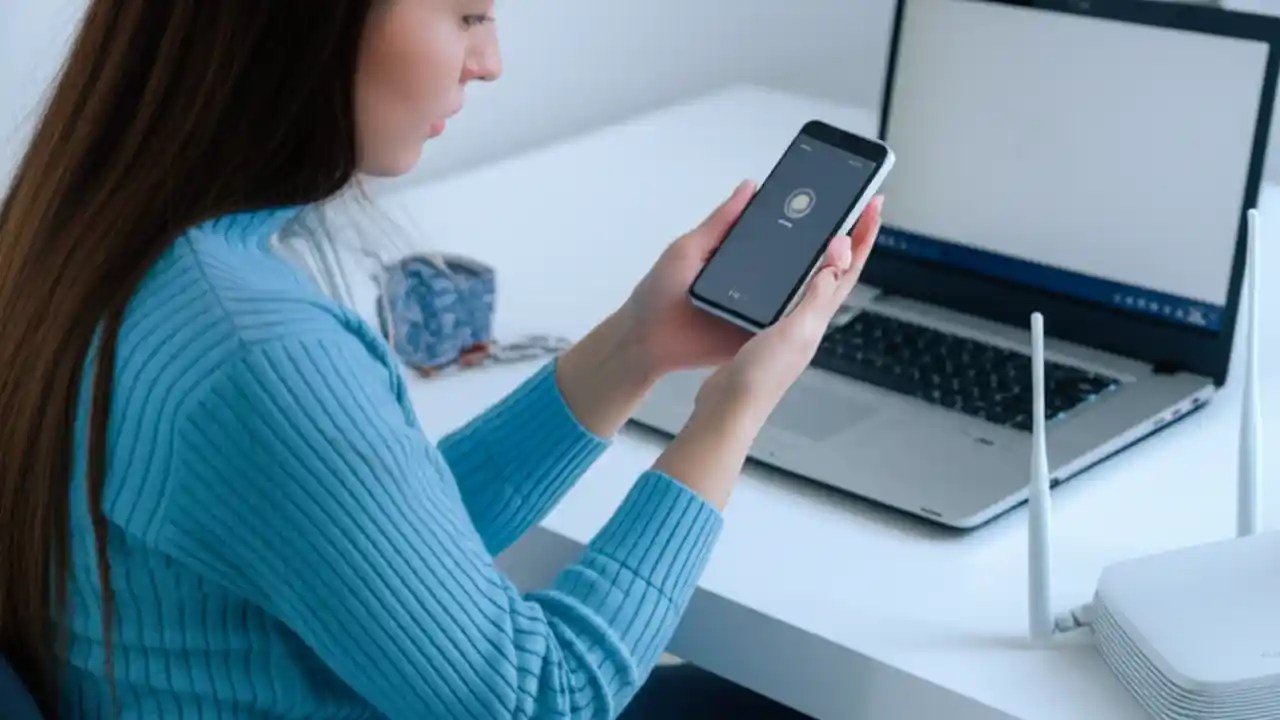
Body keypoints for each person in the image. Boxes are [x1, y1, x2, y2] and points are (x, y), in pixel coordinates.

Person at [0, 2, 882, 719]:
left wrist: (635, 348)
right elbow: (544, 699)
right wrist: (734, 412)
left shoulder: (96, 244)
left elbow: (381, 548)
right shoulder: (256, 351)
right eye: (465, 15)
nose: (489, 60)